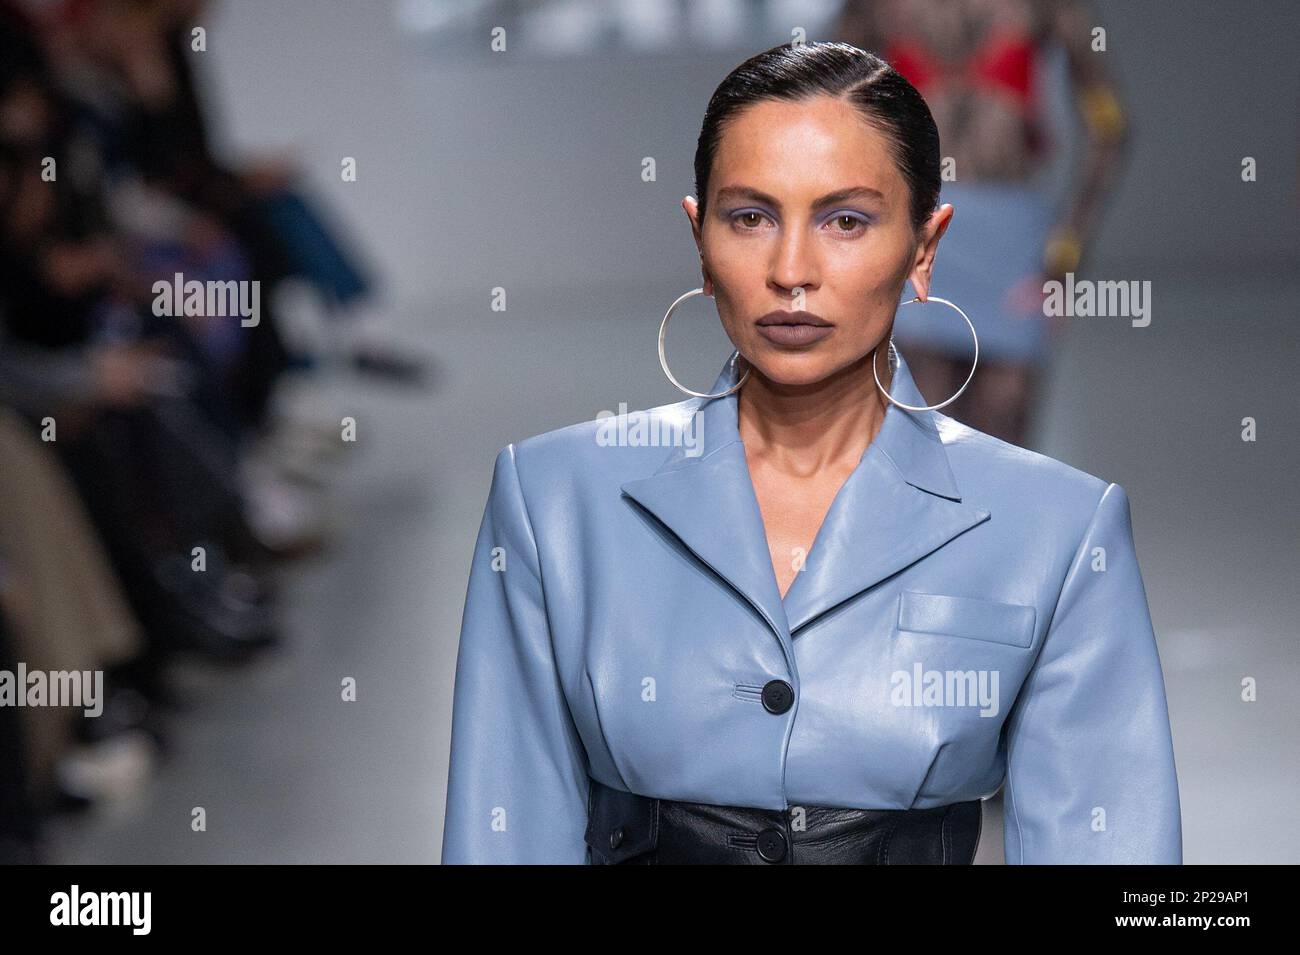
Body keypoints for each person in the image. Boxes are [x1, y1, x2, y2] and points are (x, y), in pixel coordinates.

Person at [440, 42, 1179, 865]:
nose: (791, 270)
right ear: (700, 239)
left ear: (925, 247)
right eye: (750, 217)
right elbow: (503, 834)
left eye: (846, 221)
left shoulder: (1060, 529)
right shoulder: (550, 501)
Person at [833, 0, 1129, 446]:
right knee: (925, 445)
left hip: (989, 248)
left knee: (996, 452)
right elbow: (824, 115)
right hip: (924, 240)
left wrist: (1063, 264)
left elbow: (1110, 131)